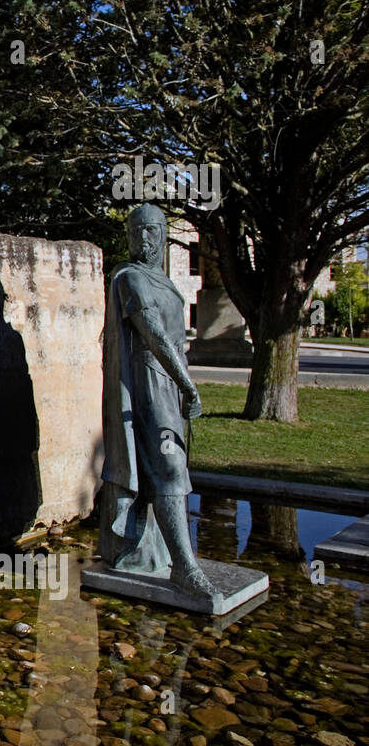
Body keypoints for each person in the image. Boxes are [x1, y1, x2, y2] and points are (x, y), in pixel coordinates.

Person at [98, 203, 221, 600]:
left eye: (152, 231)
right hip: (149, 382)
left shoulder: (163, 280)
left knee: (172, 466)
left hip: (168, 381)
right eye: (137, 231)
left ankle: (168, 552)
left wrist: (181, 382)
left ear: (164, 236)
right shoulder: (130, 278)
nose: (144, 239)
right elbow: (153, 334)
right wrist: (188, 384)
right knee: (168, 465)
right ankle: (185, 568)